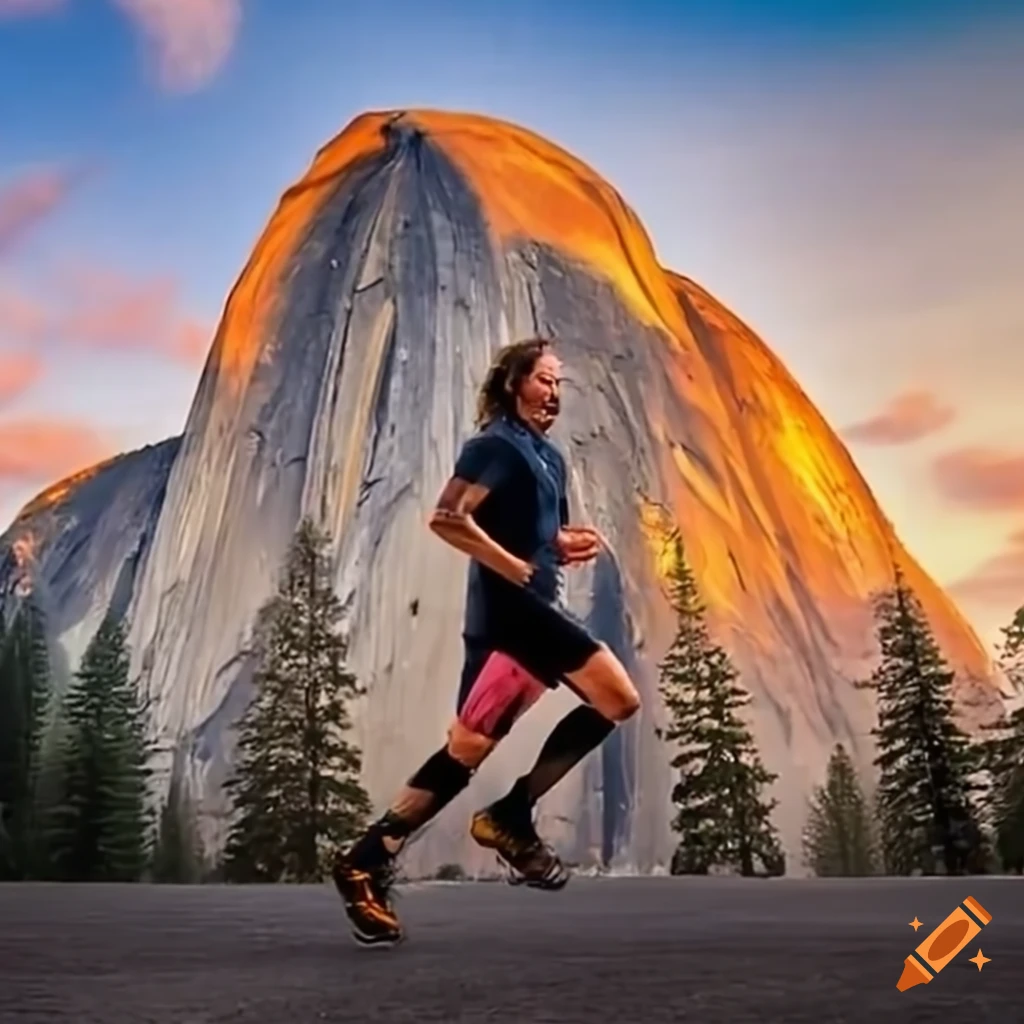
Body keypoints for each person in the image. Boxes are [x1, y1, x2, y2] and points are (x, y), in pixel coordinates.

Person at [331, 338, 641, 945]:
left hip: (530, 611)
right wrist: (510, 564)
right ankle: (510, 816)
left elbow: (540, 534)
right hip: (511, 613)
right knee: (617, 697)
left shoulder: (549, 459)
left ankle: (363, 860)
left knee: (465, 749)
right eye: (544, 380)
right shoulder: (494, 446)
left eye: (559, 383)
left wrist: (563, 545)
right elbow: (448, 517)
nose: (554, 393)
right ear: (512, 383)